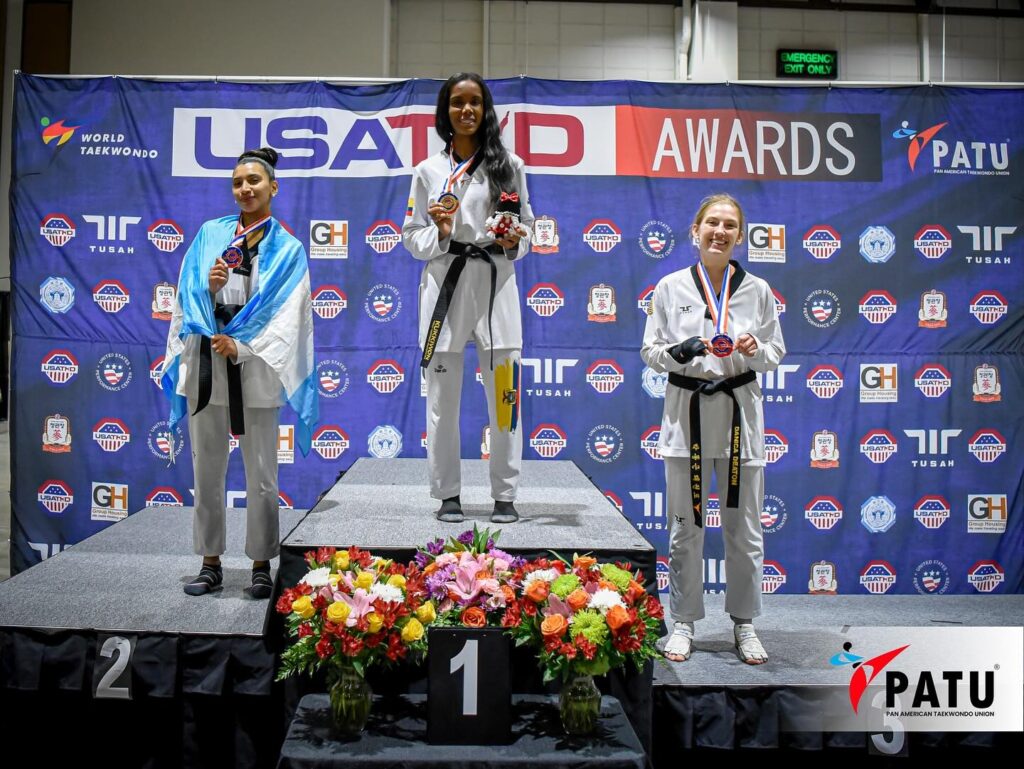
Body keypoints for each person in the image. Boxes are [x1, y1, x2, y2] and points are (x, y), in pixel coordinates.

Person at [161, 147, 317, 598]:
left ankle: (261, 563)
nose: (245, 189)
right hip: (208, 361)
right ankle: (210, 562)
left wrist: (244, 344)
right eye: (237, 183)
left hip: (256, 371)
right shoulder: (210, 235)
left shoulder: (287, 248)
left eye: (253, 181)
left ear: (273, 186)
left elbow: (290, 313)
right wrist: (206, 290)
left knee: (262, 475)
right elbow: (184, 295)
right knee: (206, 469)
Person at [641, 194, 785, 665]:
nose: (719, 232)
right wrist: (678, 351)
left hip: (741, 419)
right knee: (686, 529)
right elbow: (650, 352)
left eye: (729, 225)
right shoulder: (669, 287)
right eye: (712, 223)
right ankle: (683, 620)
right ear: (695, 231)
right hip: (688, 420)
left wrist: (753, 346)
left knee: (744, 531)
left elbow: (775, 352)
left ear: (740, 236)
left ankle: (744, 624)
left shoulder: (758, 289)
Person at [403, 72, 534, 525]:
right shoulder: (427, 171)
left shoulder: (510, 165)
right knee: (442, 401)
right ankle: (448, 494)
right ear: (446, 111)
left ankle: (505, 493)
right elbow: (411, 237)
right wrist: (439, 234)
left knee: (505, 400)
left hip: (497, 285)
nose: (466, 110)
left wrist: (516, 236)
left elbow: (528, 230)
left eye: (475, 102)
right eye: (457, 102)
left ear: (486, 109)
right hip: (447, 285)